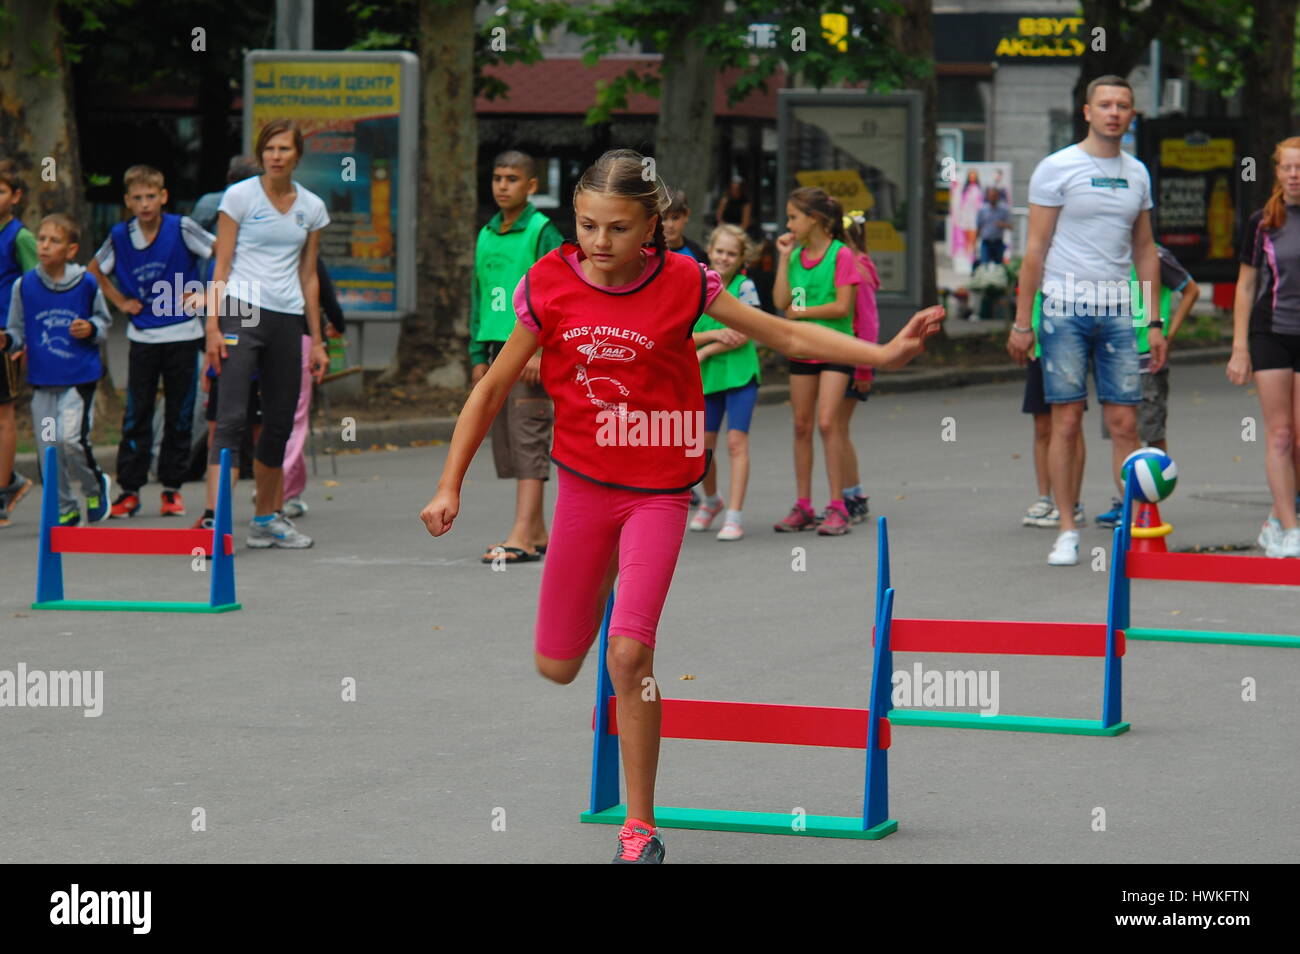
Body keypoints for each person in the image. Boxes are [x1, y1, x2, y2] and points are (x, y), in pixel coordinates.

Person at [418, 148, 945, 864]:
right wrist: (450, 482)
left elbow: (787, 335)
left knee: (629, 654)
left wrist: (880, 356)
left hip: (659, 493)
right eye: (586, 225)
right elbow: (490, 388)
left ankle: (640, 829)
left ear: (652, 228)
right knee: (558, 667)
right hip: (582, 486)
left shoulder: (685, 281)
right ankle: (600, 581)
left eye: (618, 228)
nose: (600, 244)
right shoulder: (550, 282)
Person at [1007, 74, 1166, 566]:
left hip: (1119, 311)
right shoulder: (1057, 168)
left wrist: (1153, 320)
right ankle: (1067, 528)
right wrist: (1020, 321)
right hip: (1064, 309)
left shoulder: (1137, 173)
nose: (1114, 113)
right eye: (1105, 105)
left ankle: (1134, 526)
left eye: (1123, 105)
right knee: (1067, 421)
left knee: (1124, 423)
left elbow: (1144, 250)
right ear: (1087, 112)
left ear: (1131, 114)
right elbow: (1035, 249)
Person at [204, 118, 329, 549]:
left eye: (284, 149)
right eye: (270, 149)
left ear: (297, 155)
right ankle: (218, 524)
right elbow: (221, 265)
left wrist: (317, 340)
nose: (276, 157)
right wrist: (212, 327)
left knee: (278, 424)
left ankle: (265, 519)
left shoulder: (311, 207)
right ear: (261, 155)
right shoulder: (239, 196)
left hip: (287, 318)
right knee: (233, 419)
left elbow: (309, 275)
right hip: (241, 309)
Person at [88, 165, 213, 519]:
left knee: (180, 414)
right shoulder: (120, 236)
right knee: (136, 413)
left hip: (184, 334)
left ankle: (172, 489)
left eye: (151, 197)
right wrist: (121, 301)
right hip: (142, 336)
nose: (145, 204)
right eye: (137, 198)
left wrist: (205, 294)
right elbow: (94, 270)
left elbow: (222, 252)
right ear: (128, 201)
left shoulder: (182, 228)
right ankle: (130, 489)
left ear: (163, 197)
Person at [470, 150, 564, 563]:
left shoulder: (542, 232)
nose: (502, 185)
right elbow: (478, 296)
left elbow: (560, 291)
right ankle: (539, 530)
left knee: (530, 439)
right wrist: (477, 353)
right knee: (508, 443)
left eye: (512, 179)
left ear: (531, 186)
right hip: (495, 352)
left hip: (530, 353)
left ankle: (522, 536)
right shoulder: (486, 232)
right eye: (497, 178)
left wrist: (541, 348)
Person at [1, 214, 112, 525]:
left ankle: (95, 487)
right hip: (43, 382)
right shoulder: (24, 286)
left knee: (70, 439)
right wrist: (6, 341)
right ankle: (65, 507)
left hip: (78, 380)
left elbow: (104, 322)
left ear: (71, 250)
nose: (45, 245)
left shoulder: (86, 283)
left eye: (55, 241)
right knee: (49, 447)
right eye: (42, 239)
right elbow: (17, 331)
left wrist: (90, 328)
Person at [772, 186, 861, 536]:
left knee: (827, 423)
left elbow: (843, 307)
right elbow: (783, 301)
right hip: (803, 350)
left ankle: (838, 506)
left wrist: (803, 311)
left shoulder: (841, 255)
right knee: (801, 425)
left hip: (836, 349)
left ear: (815, 219)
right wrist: (782, 258)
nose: (789, 223)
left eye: (794, 217)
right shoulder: (795, 258)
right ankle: (804, 505)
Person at [1228, 137, 1300, 558]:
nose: (1295, 175)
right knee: (1280, 434)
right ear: (1277, 172)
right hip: (1270, 332)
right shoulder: (1263, 222)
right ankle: (1290, 529)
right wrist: (1239, 347)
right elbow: (1245, 284)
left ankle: (1277, 514)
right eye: (1288, 168)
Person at [1094, 244, 1199, 527]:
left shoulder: (1156, 255)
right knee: (1121, 433)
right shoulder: (1103, 252)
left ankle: (1151, 496)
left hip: (1147, 360)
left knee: (1151, 433)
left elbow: (1191, 290)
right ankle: (1128, 500)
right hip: (1113, 357)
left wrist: (1167, 333)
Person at [688, 224, 761, 540]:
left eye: (732, 253)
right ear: (710, 251)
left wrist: (707, 351)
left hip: (741, 373)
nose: (724, 258)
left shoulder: (746, 288)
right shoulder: (696, 284)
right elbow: (685, 334)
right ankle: (712, 501)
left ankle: (734, 515)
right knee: (701, 449)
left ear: (741, 257)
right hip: (707, 379)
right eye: (720, 251)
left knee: (735, 442)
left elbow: (747, 332)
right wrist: (716, 337)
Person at [1020, 290, 1086, 529]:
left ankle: (1073, 503)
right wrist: (1022, 328)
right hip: (1039, 349)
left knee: (1070, 425)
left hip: (1069, 346)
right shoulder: (1036, 259)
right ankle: (1044, 498)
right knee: (1042, 427)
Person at [0, 160, 37, 526]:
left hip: (4, 337)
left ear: (16, 197)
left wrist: (23, 337)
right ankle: (11, 480)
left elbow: (33, 287)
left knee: (4, 414)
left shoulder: (21, 236)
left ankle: (4, 490)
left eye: (0, 190)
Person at [836, 210, 878, 523]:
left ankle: (851, 495)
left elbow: (868, 323)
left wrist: (864, 368)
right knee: (836, 428)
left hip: (852, 358)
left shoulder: (858, 270)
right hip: (838, 354)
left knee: (835, 427)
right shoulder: (848, 264)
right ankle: (852, 492)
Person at [661, 189, 708, 261]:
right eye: (664, 219)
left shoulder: (698, 254)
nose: (670, 225)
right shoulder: (648, 252)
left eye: (675, 218)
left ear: (686, 215)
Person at [975, 187, 1012, 266]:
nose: (993, 197)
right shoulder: (982, 210)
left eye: (994, 195)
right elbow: (978, 227)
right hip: (986, 243)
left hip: (998, 243)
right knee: (984, 266)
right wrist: (975, 243)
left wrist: (1003, 224)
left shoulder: (1004, 210)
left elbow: (1011, 226)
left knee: (998, 267)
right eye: (991, 195)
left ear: (998, 196)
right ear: (988, 196)